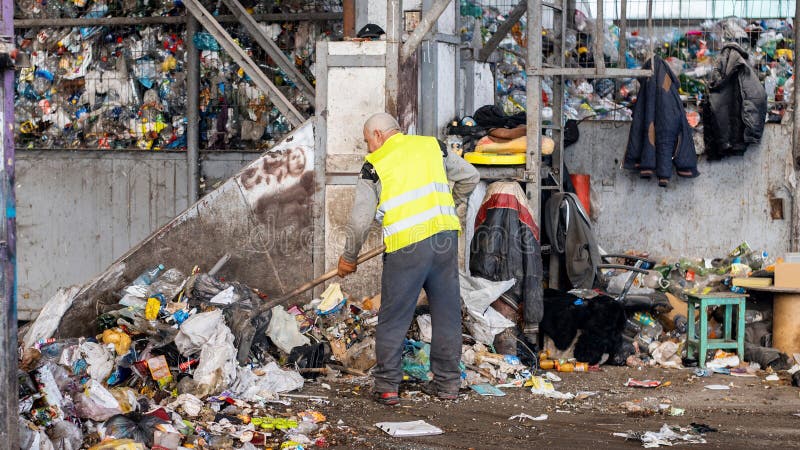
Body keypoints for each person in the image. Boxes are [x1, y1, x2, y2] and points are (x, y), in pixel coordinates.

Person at [338, 112, 480, 405]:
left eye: (367, 141)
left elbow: (360, 221)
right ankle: (448, 385)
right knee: (447, 314)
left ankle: (388, 386)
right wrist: (454, 205)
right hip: (444, 240)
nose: (368, 148)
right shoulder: (434, 147)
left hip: (406, 247)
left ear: (378, 135)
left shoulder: (374, 166)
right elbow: (470, 177)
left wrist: (349, 257)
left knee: (394, 317)